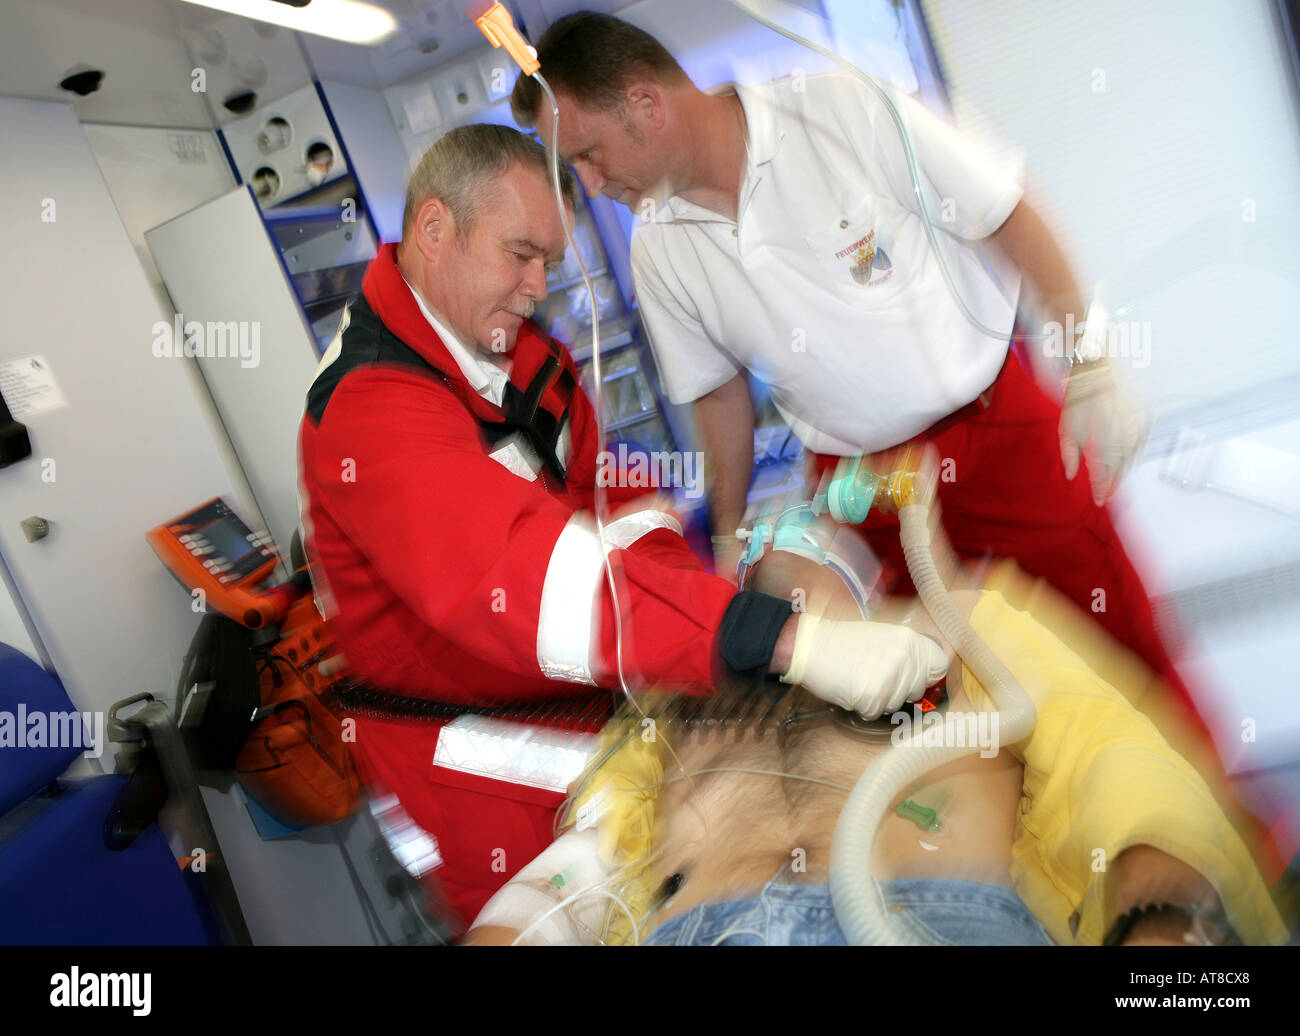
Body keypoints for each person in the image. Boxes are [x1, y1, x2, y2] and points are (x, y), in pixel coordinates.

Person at [509, 11, 1287, 878]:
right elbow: (719, 396)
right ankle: (1079, 889)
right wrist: (727, 539)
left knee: (1118, 642)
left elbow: (1007, 212)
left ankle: (1239, 857)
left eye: (583, 153)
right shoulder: (659, 248)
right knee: (958, 699)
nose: (588, 180)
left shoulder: (843, 111)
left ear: (644, 103)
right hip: (868, 481)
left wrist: (1090, 354)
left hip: (995, 428)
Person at [296, 123, 949, 934]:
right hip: (484, 772)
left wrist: (701, 610)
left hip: (603, 709)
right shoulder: (370, 413)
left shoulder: (520, 355)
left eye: (551, 264)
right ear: (435, 230)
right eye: (521, 254)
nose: (539, 287)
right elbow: (525, 584)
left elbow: (615, 503)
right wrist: (774, 640)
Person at [464, 557, 1289, 947]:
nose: (769, 558)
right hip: (707, 932)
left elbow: (1105, 751)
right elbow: (593, 853)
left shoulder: (958, 627)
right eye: (750, 557)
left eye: (800, 547)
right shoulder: (681, 694)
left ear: (856, 576)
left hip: (933, 921)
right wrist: (514, 932)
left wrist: (1163, 918)